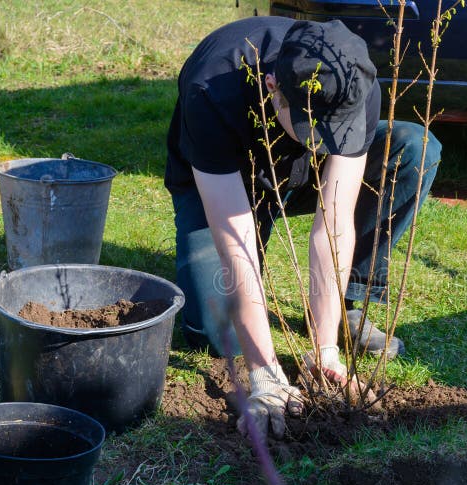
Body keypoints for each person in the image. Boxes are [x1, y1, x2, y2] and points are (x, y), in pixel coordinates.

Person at [164, 16, 441, 438]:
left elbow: (333, 221)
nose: (325, 143)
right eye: (315, 131)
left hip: (300, 176)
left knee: (413, 150)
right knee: (215, 336)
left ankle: (349, 303)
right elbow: (235, 244)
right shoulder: (212, 89)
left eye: (336, 133)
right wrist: (264, 375)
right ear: (273, 88)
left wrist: (324, 349)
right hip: (224, 181)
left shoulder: (353, 80)